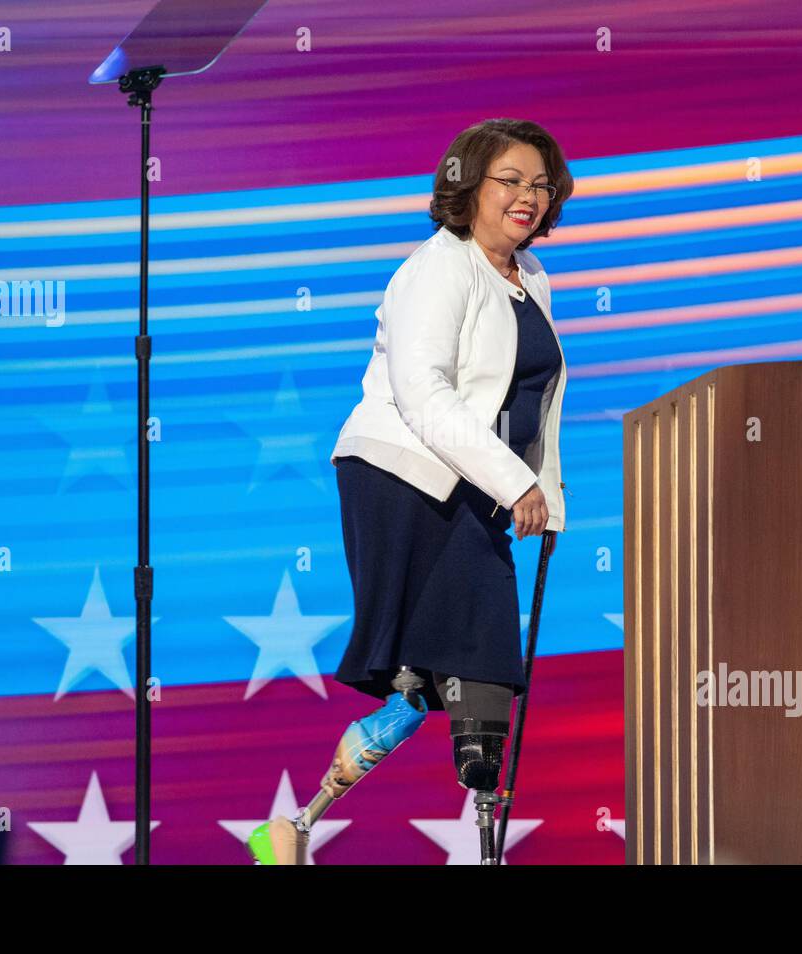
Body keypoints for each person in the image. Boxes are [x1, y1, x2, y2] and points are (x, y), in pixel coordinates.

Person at [247, 118, 573, 865]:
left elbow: (535, 404)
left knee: (425, 686)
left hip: (475, 481)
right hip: (405, 475)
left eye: (540, 184)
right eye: (510, 180)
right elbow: (423, 395)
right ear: (469, 187)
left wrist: (544, 494)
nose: (528, 196)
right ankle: (489, 843)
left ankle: (294, 829)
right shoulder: (439, 266)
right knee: (481, 655)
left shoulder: (531, 278)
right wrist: (514, 482)